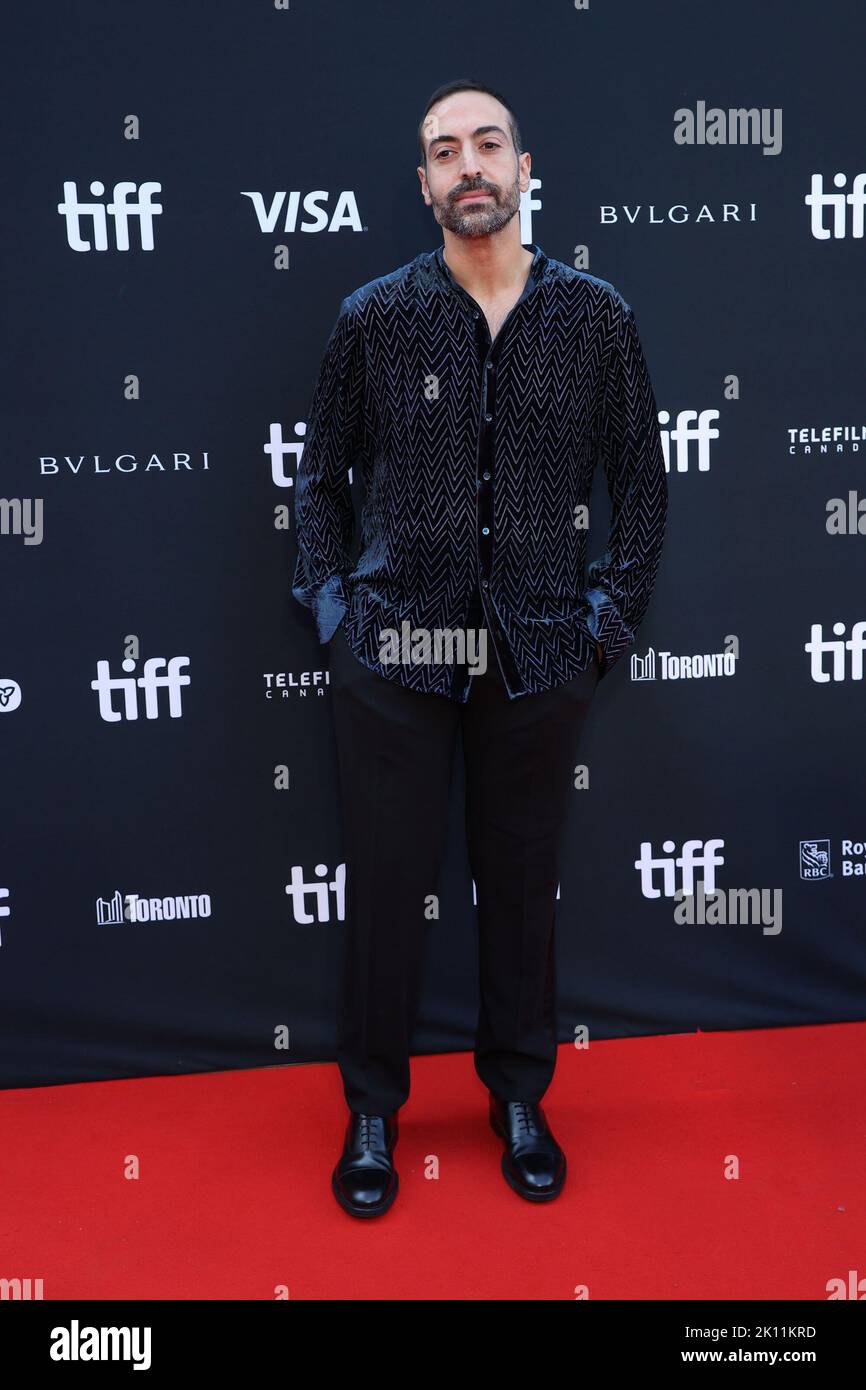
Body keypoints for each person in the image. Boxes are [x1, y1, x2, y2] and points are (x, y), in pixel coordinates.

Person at [292, 78, 668, 1217]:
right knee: (387, 887)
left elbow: (642, 486)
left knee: (517, 888)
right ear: (421, 184)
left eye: (485, 144)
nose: (467, 165)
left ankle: (517, 1096)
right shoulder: (373, 315)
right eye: (443, 150)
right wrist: (333, 614)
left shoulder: (597, 317)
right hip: (395, 647)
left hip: (542, 651)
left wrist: (605, 621)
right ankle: (371, 1108)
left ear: (520, 167)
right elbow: (317, 483)